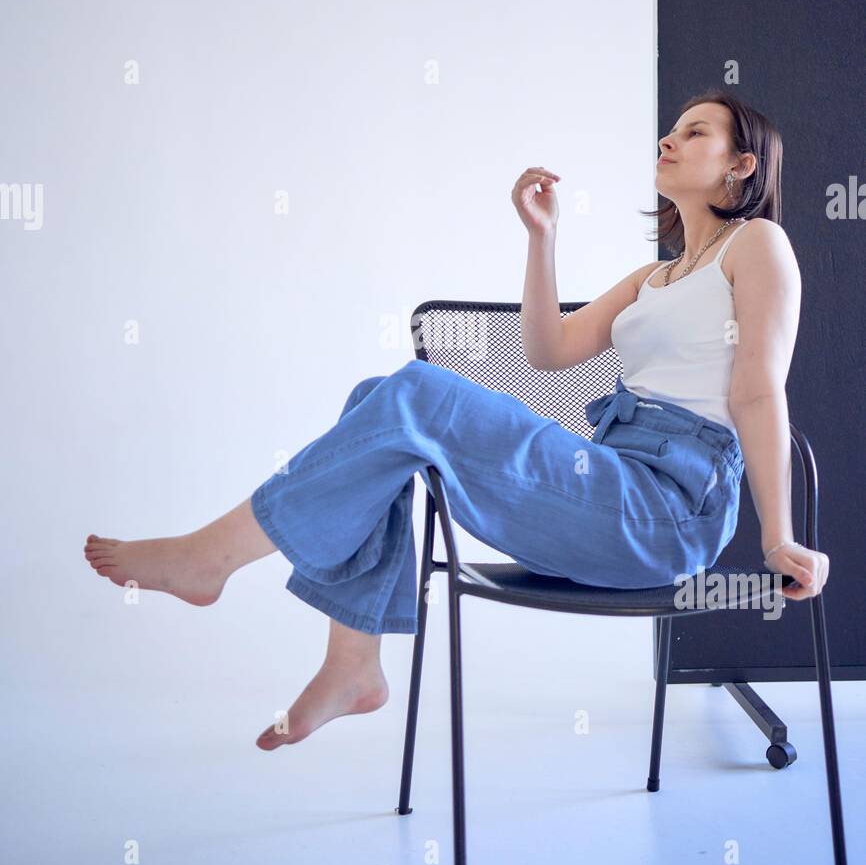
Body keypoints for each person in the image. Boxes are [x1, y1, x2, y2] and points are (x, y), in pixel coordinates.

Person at [83, 88, 829, 749]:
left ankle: (211, 557)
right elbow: (548, 350)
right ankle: (353, 664)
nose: (668, 139)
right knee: (375, 397)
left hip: (665, 513)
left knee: (415, 390)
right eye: (670, 128)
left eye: (695, 132)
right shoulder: (654, 276)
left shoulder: (757, 245)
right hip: (606, 486)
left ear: (742, 167)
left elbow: (758, 392)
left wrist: (776, 536)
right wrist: (542, 239)